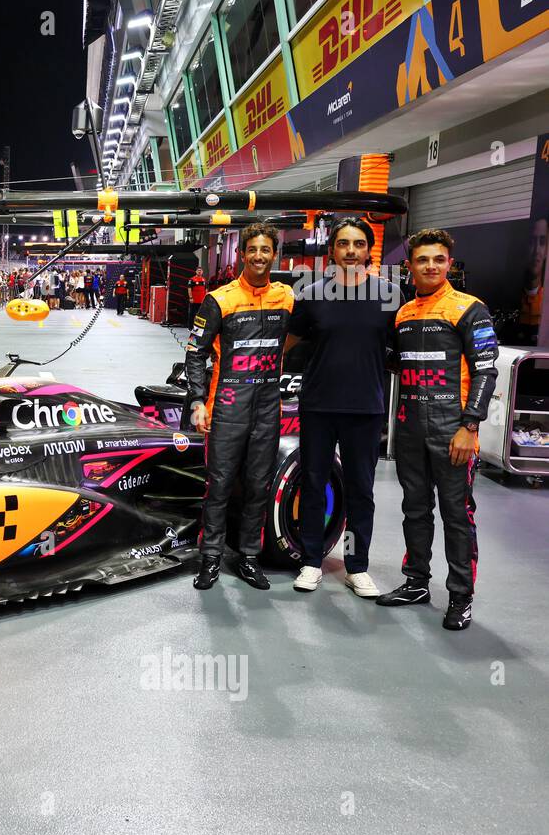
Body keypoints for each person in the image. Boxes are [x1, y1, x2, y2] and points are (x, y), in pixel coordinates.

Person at [377, 229, 498, 631]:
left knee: (457, 515)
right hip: (410, 425)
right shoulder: (404, 312)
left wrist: (469, 426)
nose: (430, 266)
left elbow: (485, 370)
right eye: (422, 260)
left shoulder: (469, 309)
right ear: (409, 266)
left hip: (453, 429)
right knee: (415, 508)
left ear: (449, 264)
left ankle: (461, 596)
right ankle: (416, 583)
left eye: (438, 259)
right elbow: (398, 361)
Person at [285, 217, 401, 597]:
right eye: (343, 244)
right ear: (331, 250)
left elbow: (399, 351)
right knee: (315, 485)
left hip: (365, 408)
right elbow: (289, 343)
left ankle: (356, 566)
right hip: (318, 405)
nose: (351, 251)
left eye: (358, 244)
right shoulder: (312, 294)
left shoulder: (389, 295)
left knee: (360, 490)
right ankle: (311, 561)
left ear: (369, 250)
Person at [186, 223, 295, 590]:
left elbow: (300, 339)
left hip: (267, 406)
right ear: (241, 254)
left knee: (258, 485)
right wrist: (198, 400)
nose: (259, 256)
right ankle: (211, 558)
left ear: (273, 254)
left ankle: (250, 557)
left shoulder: (286, 298)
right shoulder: (220, 299)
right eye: (253, 250)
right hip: (227, 405)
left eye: (266, 250)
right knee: (218, 485)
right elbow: (195, 352)